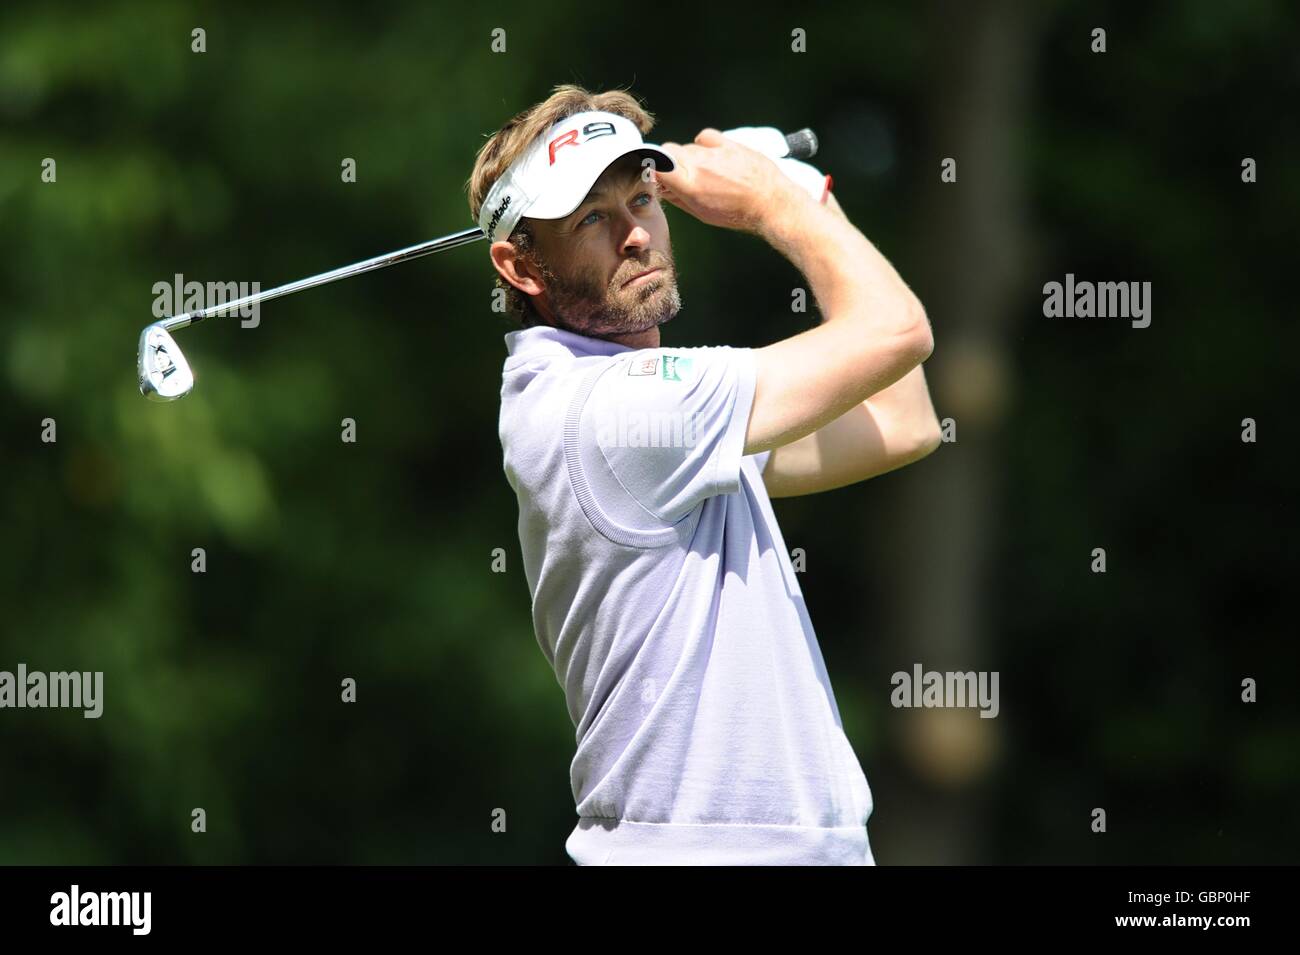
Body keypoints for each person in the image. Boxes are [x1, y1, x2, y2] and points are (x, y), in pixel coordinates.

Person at [465, 85, 939, 865]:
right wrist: (772, 205)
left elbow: (902, 419)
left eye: (641, 199)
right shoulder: (623, 410)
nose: (634, 236)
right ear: (520, 266)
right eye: (590, 218)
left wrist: (803, 189)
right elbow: (900, 331)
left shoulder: (658, 417)